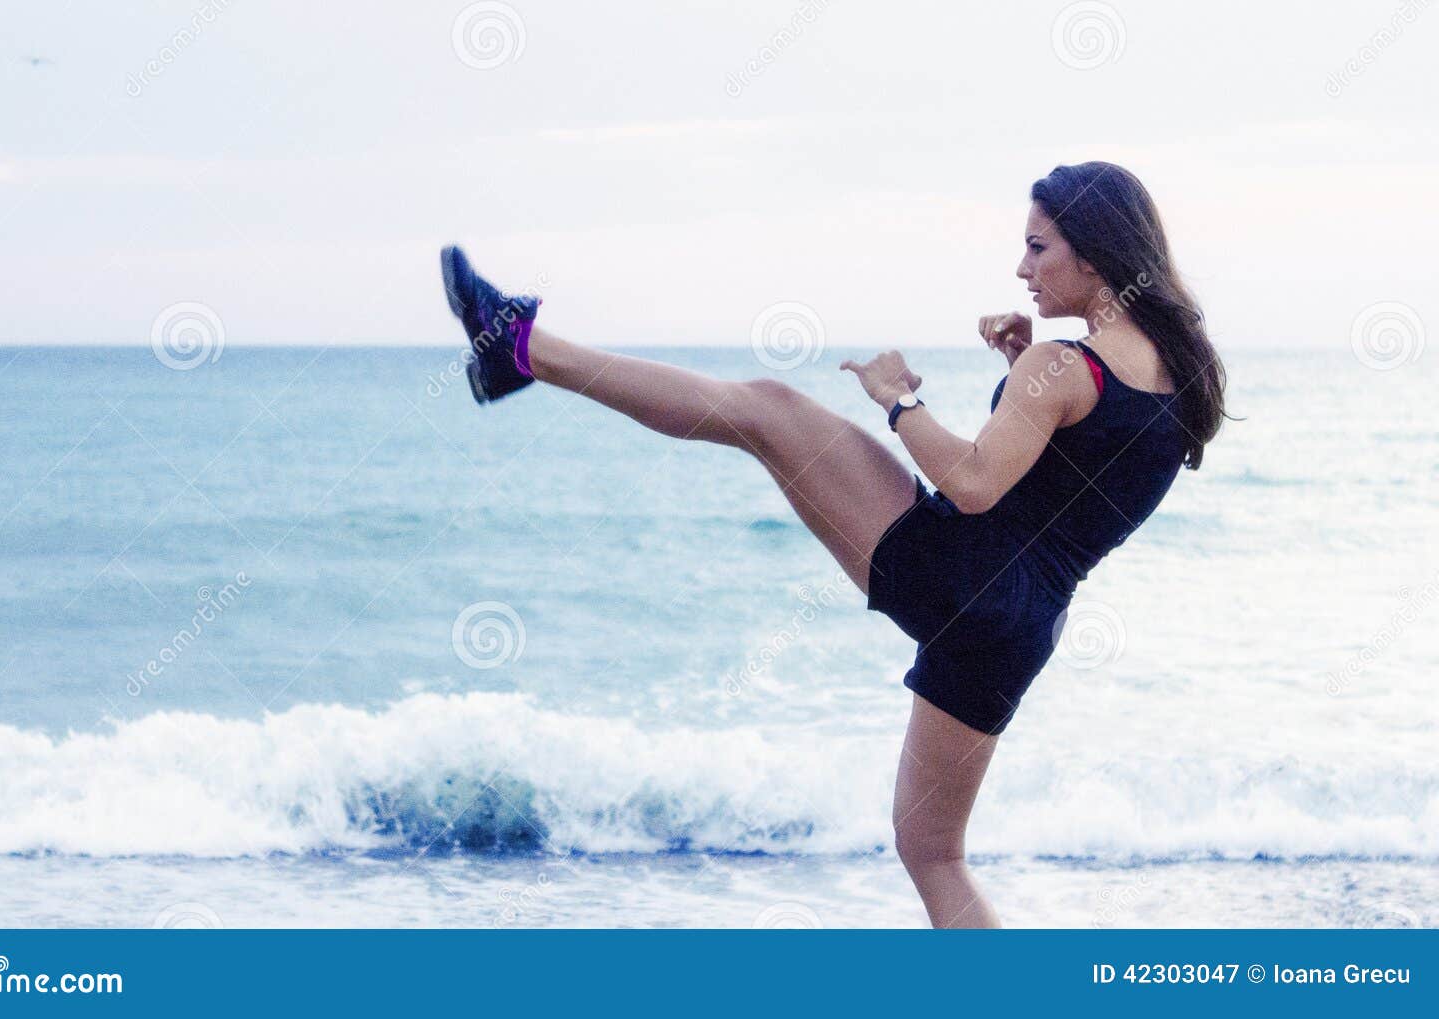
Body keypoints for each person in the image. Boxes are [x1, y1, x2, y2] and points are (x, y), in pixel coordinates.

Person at [438, 161, 1228, 928]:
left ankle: (520, 347)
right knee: (935, 855)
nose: (1021, 267)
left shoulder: (1065, 366)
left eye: (1038, 247)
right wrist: (1022, 368)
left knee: (764, 410)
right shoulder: (1178, 373)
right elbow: (1080, 470)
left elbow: (977, 483)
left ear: (1094, 256)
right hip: (1020, 627)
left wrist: (898, 398)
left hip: (962, 572)